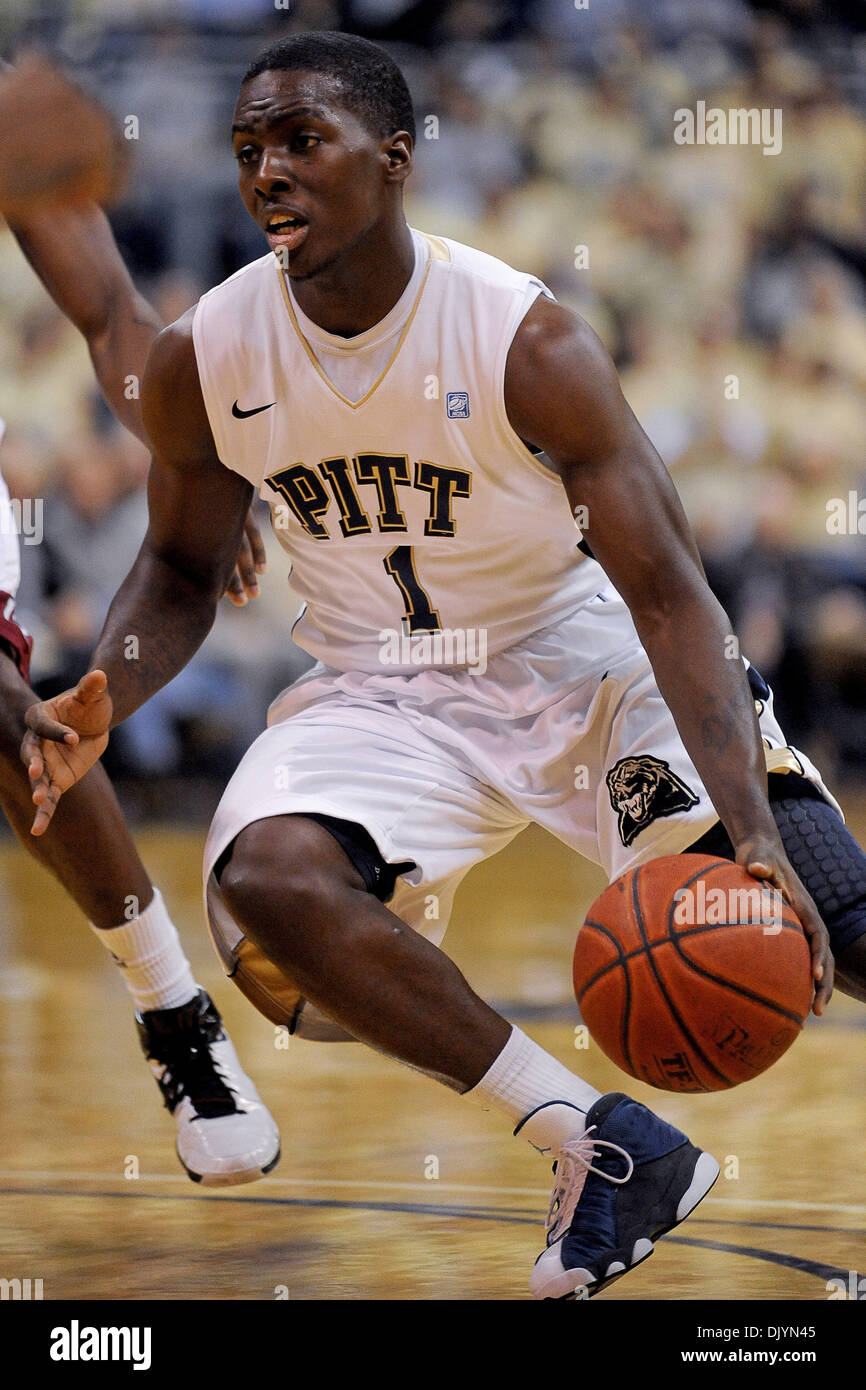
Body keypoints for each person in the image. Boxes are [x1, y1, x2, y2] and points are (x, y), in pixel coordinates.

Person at [21, 32, 866, 1298]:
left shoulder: (525, 342)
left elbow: (669, 594)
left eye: (302, 141)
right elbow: (183, 573)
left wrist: (743, 824)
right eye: (250, 148)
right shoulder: (211, 352)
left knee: (829, 917)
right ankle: (600, 1145)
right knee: (273, 879)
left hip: (584, 660)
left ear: (395, 160)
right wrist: (108, 689)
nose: (268, 172)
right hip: (385, 689)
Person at [0, 52, 280, 1186]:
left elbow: (113, 312)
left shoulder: (14, 111)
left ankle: (174, 1013)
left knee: (16, 713)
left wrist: (189, 454)